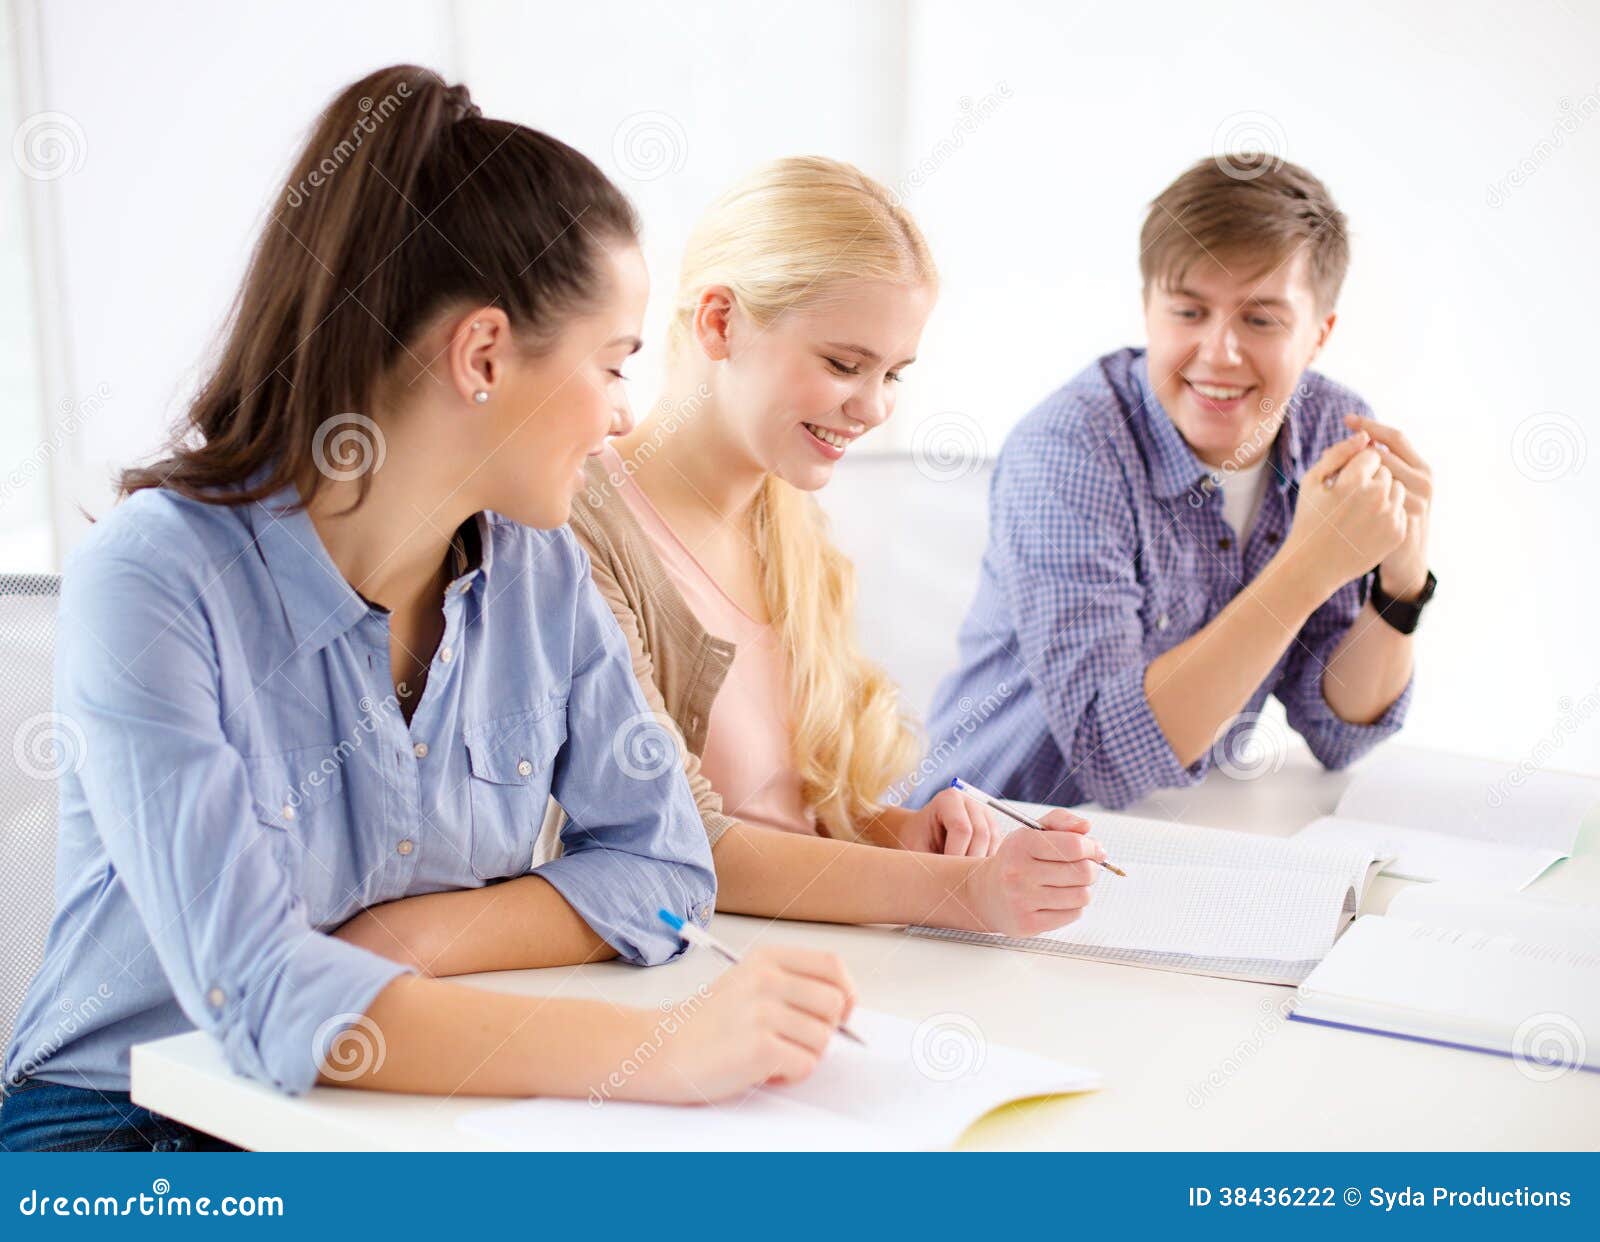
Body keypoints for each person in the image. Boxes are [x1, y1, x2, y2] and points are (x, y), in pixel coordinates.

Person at [0, 66, 857, 1153]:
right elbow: (257, 995)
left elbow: (665, 867)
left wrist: (406, 939)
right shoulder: (157, 579)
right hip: (123, 1126)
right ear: (484, 354)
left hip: (406, 1110)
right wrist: (658, 1054)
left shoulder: (540, 573)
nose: (623, 413)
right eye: (611, 363)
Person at [340, 158, 1107, 967]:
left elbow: (798, 812)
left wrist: (909, 835)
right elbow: (689, 836)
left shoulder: (789, 514)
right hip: (688, 966)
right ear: (719, 323)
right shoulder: (567, 523)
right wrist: (960, 894)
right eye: (845, 365)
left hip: (817, 960)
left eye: (893, 374)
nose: (874, 406)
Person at [920, 154, 1435, 811]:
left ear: (1319, 335)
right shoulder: (1069, 450)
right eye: (1189, 312)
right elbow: (1109, 752)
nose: (1218, 352)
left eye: (1261, 319)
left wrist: (1402, 584)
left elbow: (1338, 729)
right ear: (1147, 309)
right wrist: (1309, 564)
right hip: (987, 838)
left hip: (1176, 840)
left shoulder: (1330, 427)